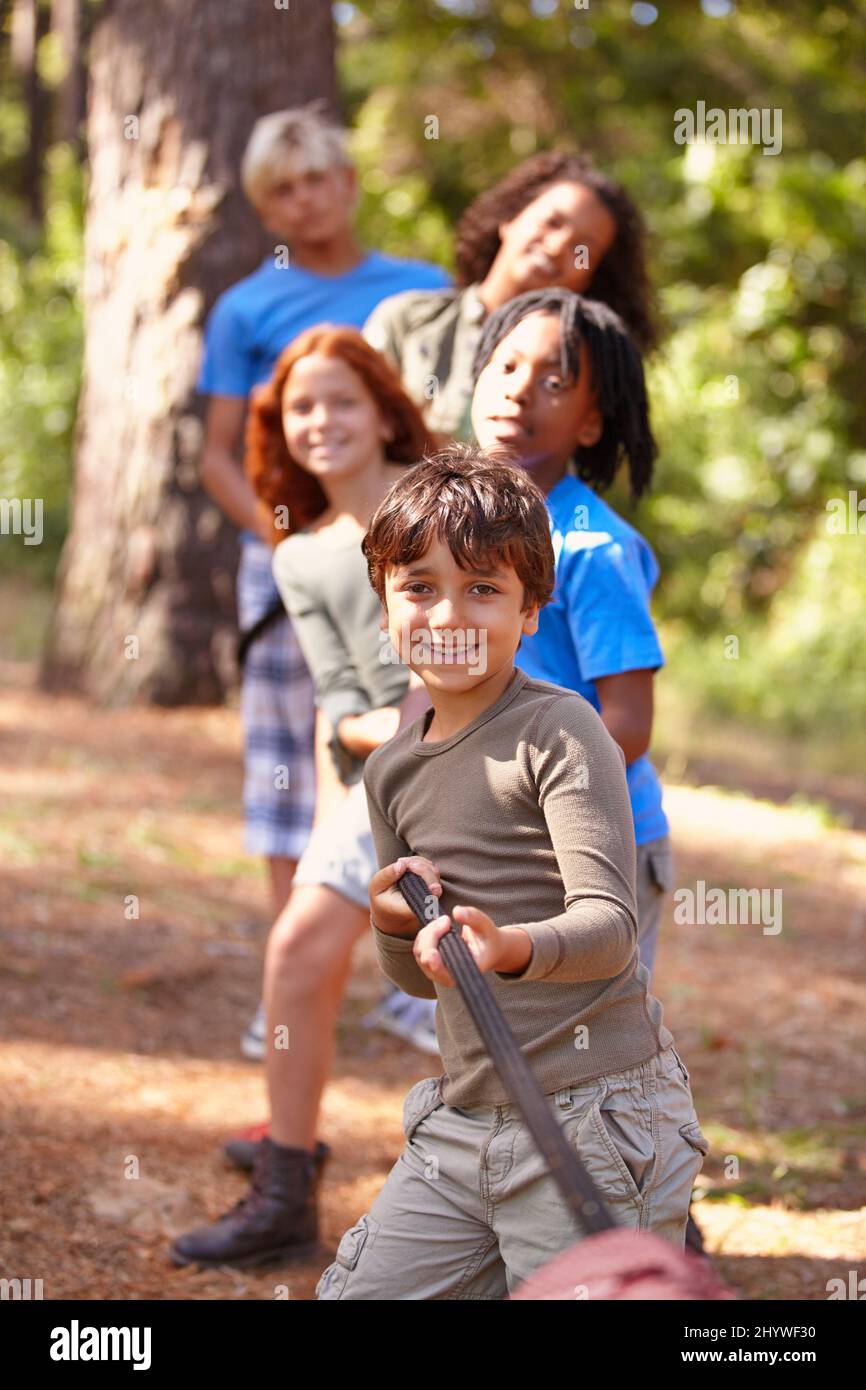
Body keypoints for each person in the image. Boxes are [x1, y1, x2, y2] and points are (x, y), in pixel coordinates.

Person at [315, 449, 707, 1300]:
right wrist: (391, 923)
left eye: (483, 588)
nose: (448, 612)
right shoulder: (390, 772)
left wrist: (510, 945)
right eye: (418, 586)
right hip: (465, 1118)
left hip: (594, 1117)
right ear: (383, 603)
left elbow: (609, 929)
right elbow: (418, 980)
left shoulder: (562, 730)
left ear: (532, 609)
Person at [170, 329, 440, 1270]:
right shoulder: (302, 556)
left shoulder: (440, 502)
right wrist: (341, 826)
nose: (321, 422)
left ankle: (605, 1181)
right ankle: (286, 1187)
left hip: (484, 776)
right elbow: (344, 709)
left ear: (381, 406)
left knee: (486, 984)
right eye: (299, 409)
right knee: (297, 949)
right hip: (376, 784)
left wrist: (415, 722)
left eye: (341, 401)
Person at [197, 102, 448, 1058]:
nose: (303, 201)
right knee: (291, 771)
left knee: (419, 748)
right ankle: (296, 968)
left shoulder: (421, 290)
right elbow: (224, 453)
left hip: (411, 554)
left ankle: (414, 976)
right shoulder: (248, 308)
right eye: (281, 190)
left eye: (316, 180)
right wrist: (299, 543)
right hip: (288, 563)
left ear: (348, 182)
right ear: (266, 208)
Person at [467, 288, 670, 981]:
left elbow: (630, 725)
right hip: (502, 836)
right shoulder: (456, 530)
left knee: (595, 1047)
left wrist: (522, 786)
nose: (520, 392)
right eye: (506, 365)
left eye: (554, 382)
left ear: (591, 424)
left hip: (597, 845)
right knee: (499, 1025)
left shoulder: (591, 549)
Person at [363, 150, 657, 440]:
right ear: (509, 219)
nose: (557, 247)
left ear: (591, 277)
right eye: (552, 222)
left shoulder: (582, 370)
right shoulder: (409, 322)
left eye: (583, 249)